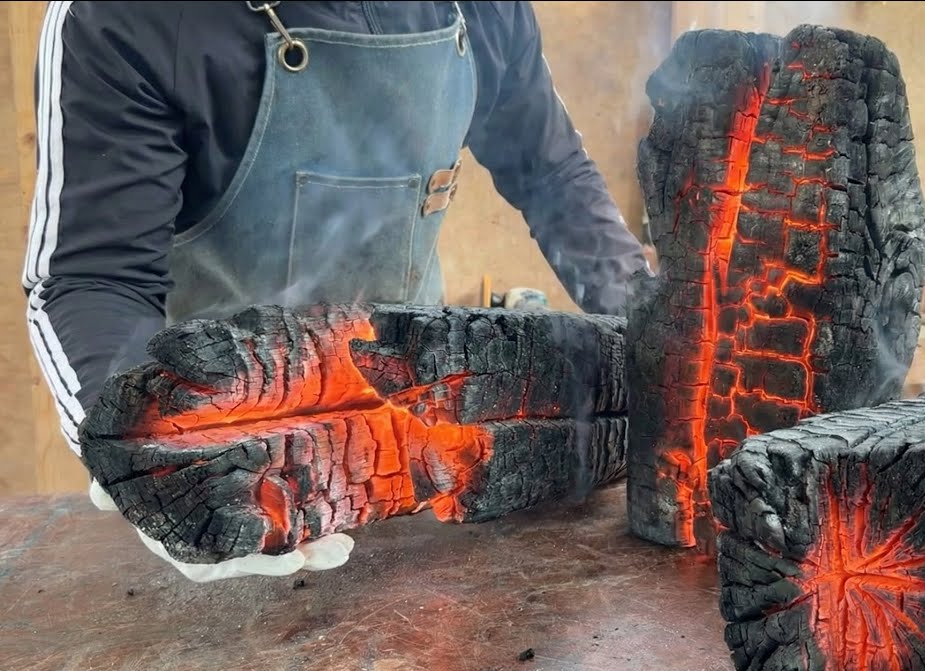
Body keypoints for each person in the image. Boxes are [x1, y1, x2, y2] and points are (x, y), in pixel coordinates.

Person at [22, 1, 651, 582]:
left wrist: (662, 331)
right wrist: (136, 460)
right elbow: (92, 275)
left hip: (416, 450)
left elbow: (553, 175)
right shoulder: (127, 15)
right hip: (240, 477)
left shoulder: (481, 8)